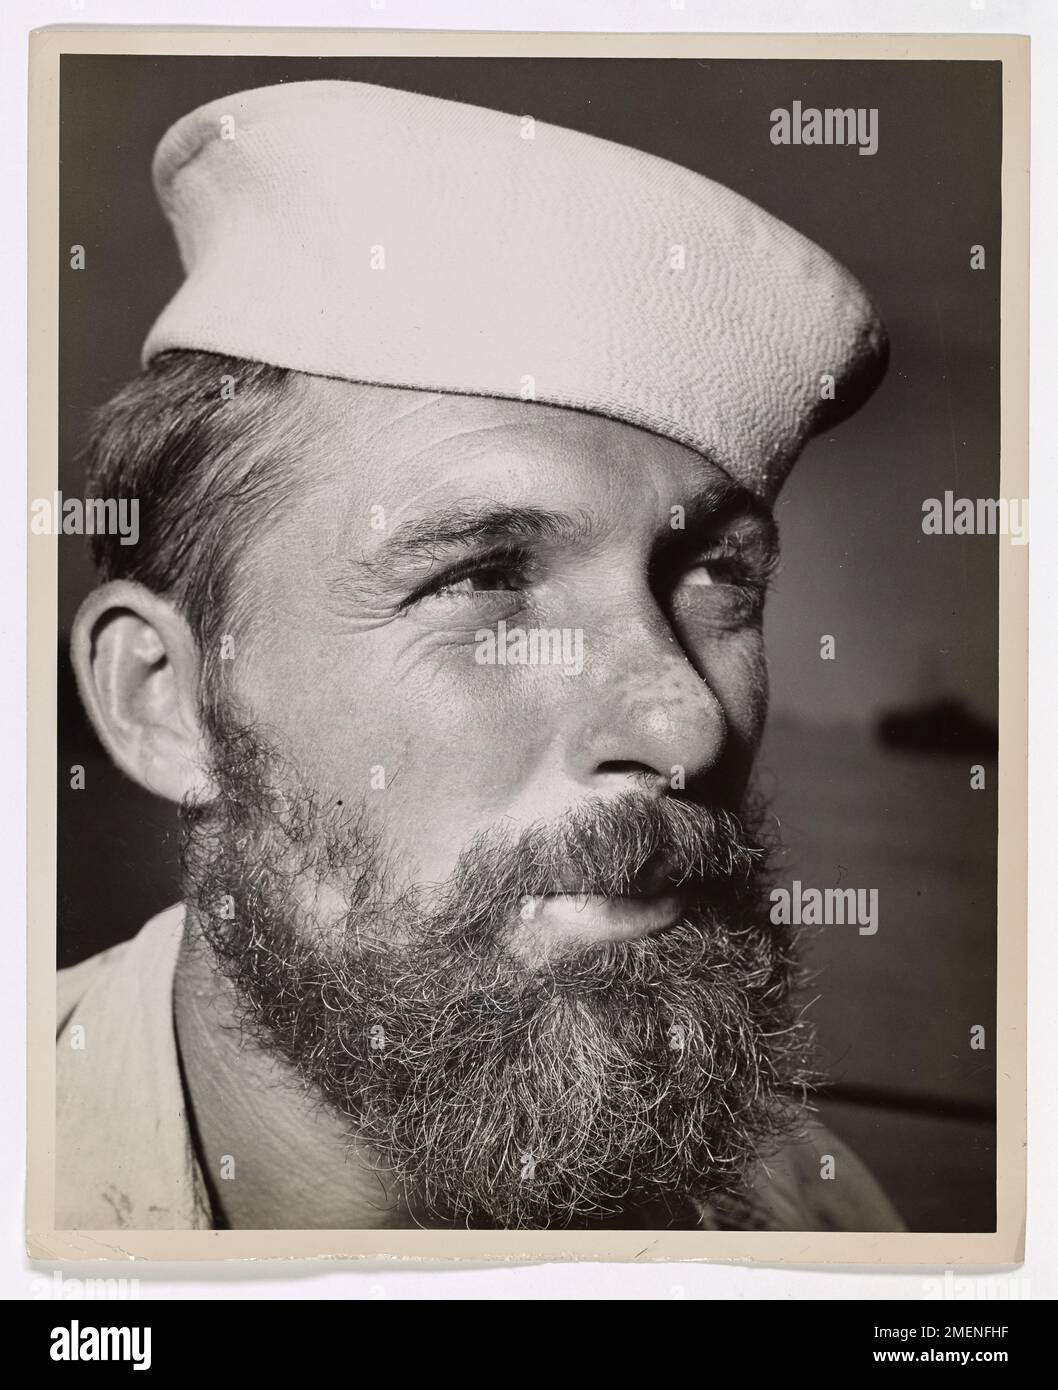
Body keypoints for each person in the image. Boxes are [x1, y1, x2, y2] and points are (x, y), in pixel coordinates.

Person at [57, 79, 903, 1232]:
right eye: (481, 578)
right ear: (165, 701)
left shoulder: (824, 1220)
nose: (682, 727)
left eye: (714, 578)